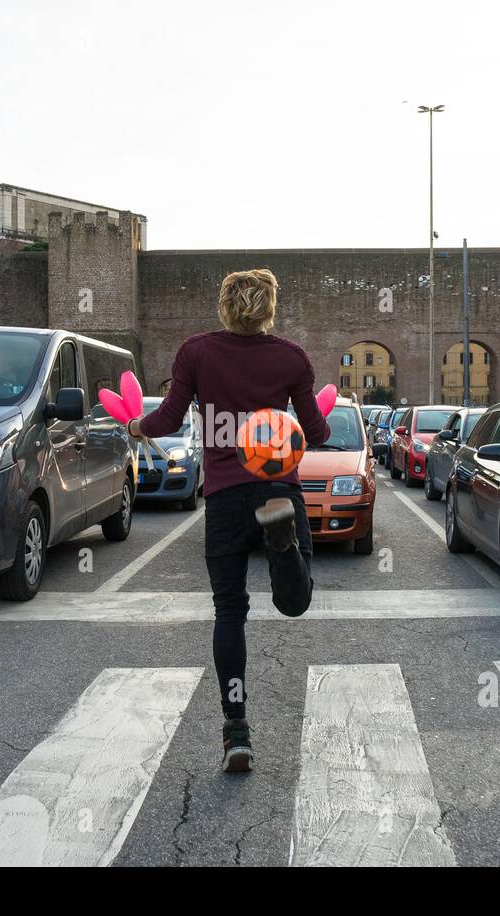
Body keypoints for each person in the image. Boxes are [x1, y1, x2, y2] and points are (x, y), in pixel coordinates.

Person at [129, 268, 330, 772]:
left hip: (223, 498)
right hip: (277, 489)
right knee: (294, 601)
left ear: (224, 305)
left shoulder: (196, 352)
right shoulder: (291, 358)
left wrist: (135, 425)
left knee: (229, 612)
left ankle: (236, 730)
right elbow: (319, 433)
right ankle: (281, 546)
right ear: (270, 308)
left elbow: (169, 419)